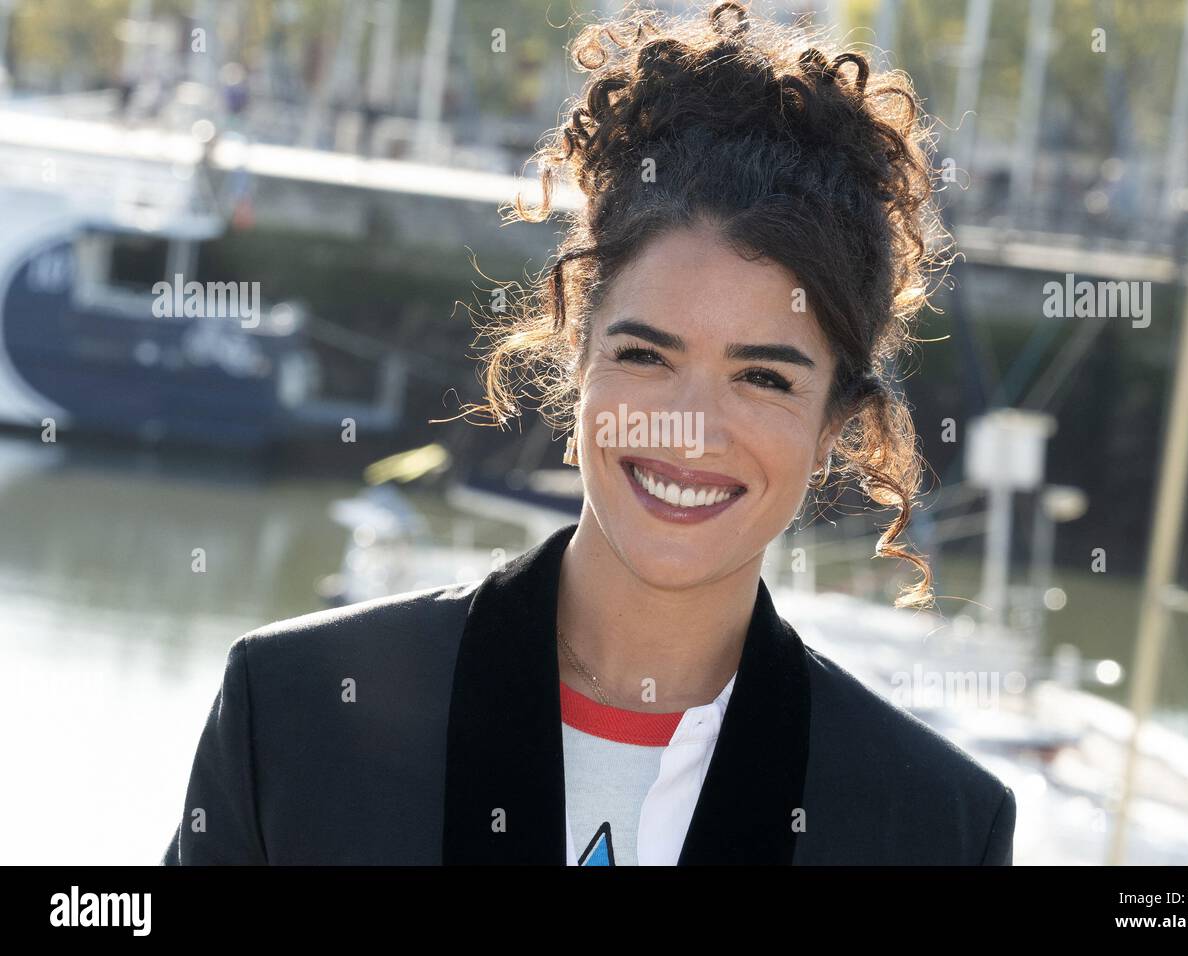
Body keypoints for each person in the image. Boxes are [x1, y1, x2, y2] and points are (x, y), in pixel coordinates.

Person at [162, 0, 1014, 866]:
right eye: (647, 355)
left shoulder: (933, 828)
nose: (691, 427)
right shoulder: (293, 716)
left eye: (763, 377)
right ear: (576, 349)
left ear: (839, 422)